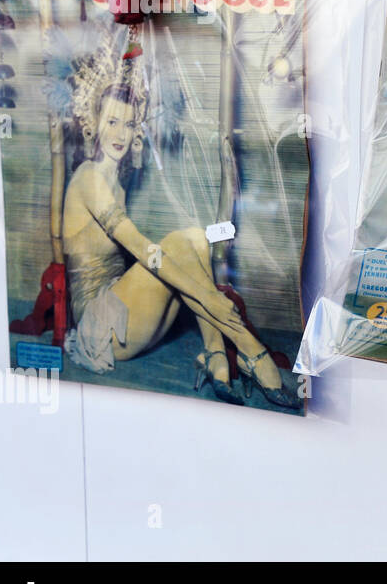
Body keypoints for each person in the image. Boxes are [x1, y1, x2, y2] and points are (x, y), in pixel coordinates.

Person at [63, 50, 299, 408]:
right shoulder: (89, 178)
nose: (120, 134)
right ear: (95, 121)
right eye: (112, 121)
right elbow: (143, 249)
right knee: (176, 242)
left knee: (192, 237)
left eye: (128, 124)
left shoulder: (118, 183)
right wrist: (212, 299)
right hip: (100, 330)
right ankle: (249, 348)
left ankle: (216, 355)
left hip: (124, 311)